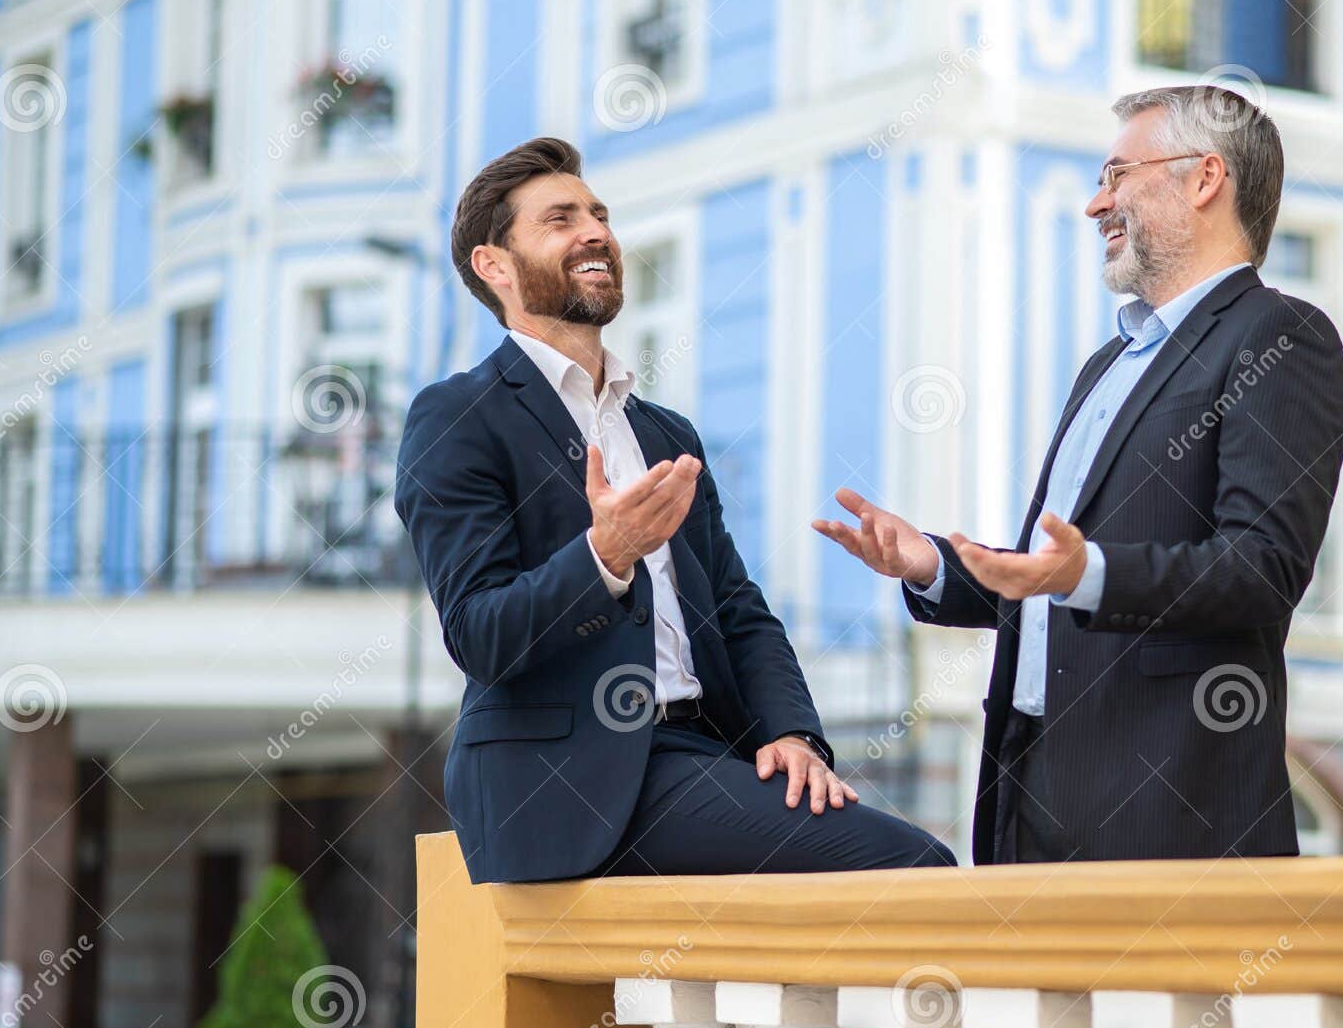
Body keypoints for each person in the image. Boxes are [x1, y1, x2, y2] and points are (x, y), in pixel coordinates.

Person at [395, 137, 954, 893]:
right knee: (913, 868)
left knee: (876, 874)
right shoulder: (459, 416)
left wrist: (792, 733)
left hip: (704, 755)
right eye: (560, 219)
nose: (595, 232)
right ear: (494, 265)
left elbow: (737, 608)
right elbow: (479, 633)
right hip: (567, 784)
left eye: (599, 215)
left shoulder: (665, 433)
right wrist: (605, 556)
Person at [816, 86, 1343, 871]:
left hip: (1169, 811)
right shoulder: (1108, 365)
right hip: (1028, 783)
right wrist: (935, 565)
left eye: (1117, 175)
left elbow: (1260, 568)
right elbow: (1055, 581)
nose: (1097, 203)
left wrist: (1085, 572)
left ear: (1206, 178)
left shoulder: (1279, 335)